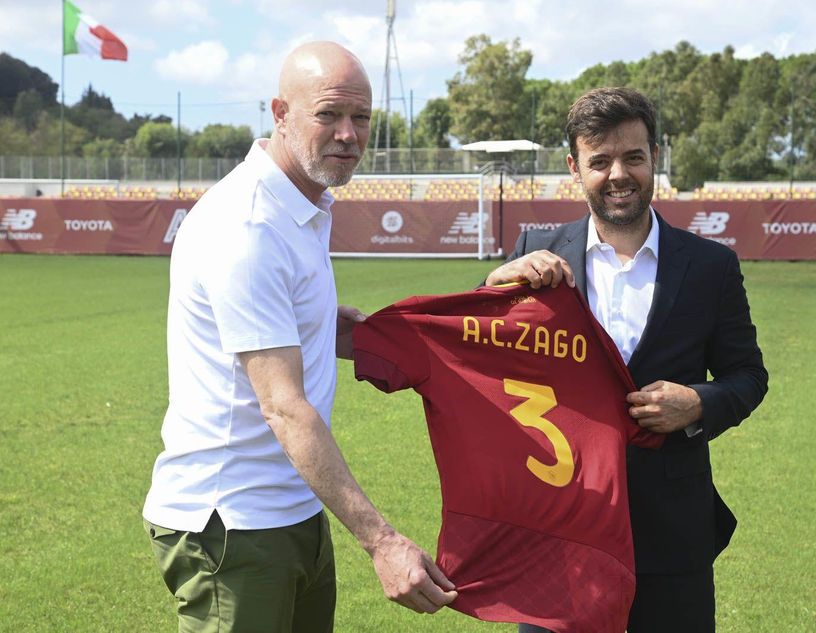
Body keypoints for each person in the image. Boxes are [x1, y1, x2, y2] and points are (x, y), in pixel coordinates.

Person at [142, 41, 456, 632]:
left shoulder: (303, 203)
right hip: (231, 524)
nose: (348, 134)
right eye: (329, 114)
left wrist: (393, 342)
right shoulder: (248, 225)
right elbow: (283, 407)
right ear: (280, 113)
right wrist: (383, 542)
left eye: (361, 118)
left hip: (294, 509)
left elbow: (289, 323)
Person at [485, 87, 768, 632]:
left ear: (654, 158)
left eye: (633, 157)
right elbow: (479, 347)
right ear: (574, 168)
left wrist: (699, 403)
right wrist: (495, 281)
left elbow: (748, 375)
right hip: (557, 531)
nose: (619, 174)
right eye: (600, 161)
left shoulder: (711, 267)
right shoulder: (534, 255)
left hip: (671, 536)